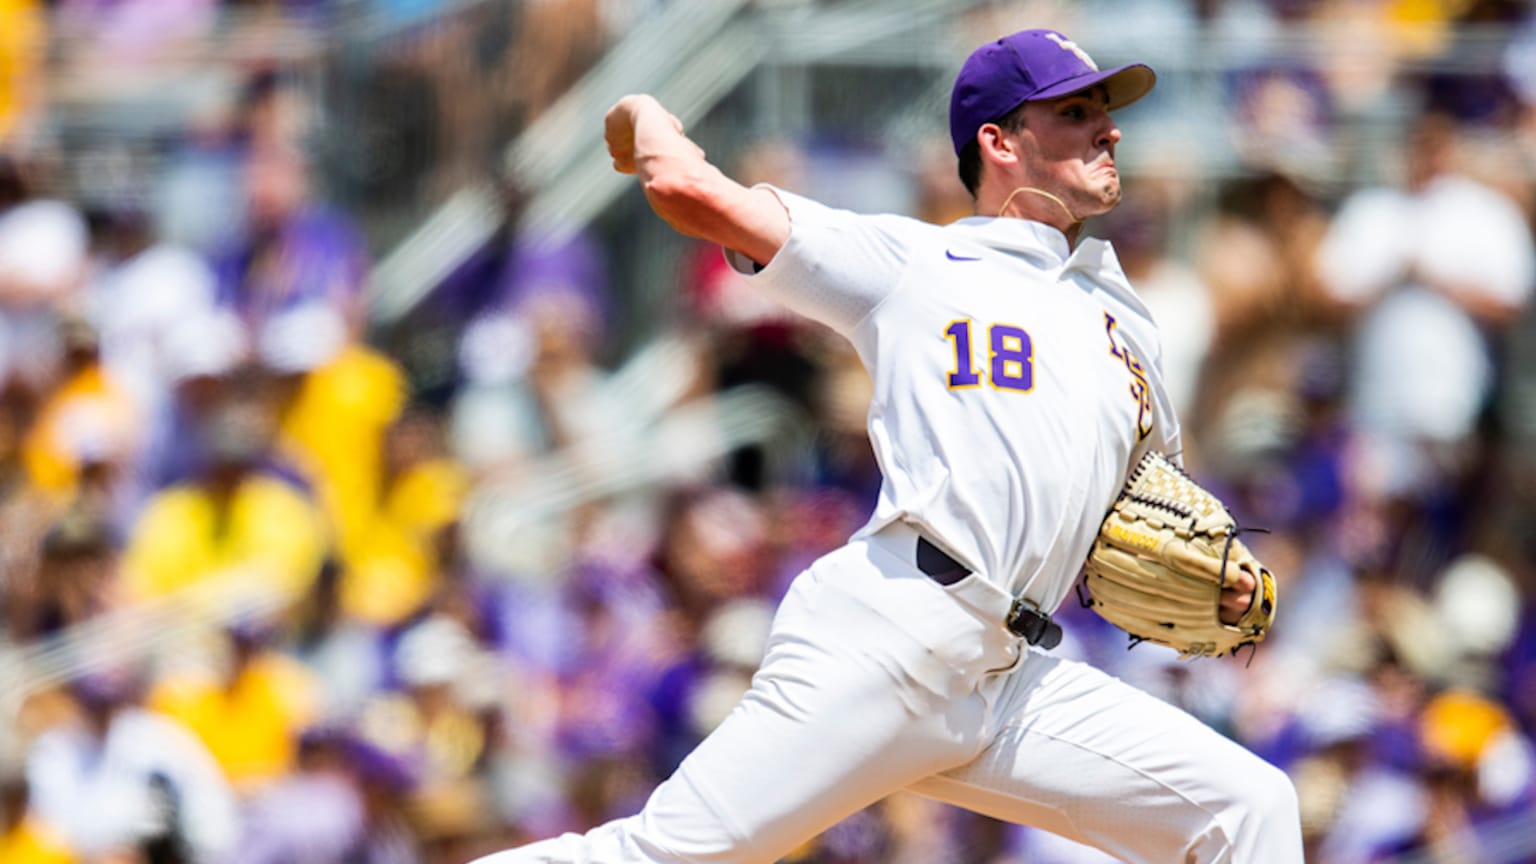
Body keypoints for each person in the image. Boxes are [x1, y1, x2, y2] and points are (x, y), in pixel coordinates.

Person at [474, 28, 1302, 864]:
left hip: (1014, 674)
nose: (1110, 129)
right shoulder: (919, 261)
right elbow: (695, 193)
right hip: (898, 631)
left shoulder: (1128, 325)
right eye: (1078, 110)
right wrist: (641, 111)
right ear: (1000, 141)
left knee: (1251, 806)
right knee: (669, 855)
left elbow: (1136, 510)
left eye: (1107, 112)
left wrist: (1218, 568)